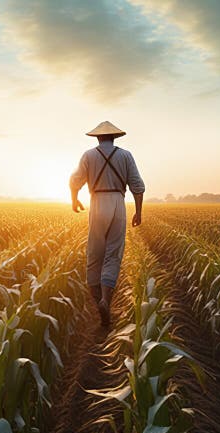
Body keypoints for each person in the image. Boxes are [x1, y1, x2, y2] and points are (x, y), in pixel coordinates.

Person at [69, 121, 145, 326]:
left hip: (97, 202)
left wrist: (74, 198)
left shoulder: (88, 155)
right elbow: (138, 186)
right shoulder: (126, 155)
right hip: (118, 204)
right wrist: (138, 212)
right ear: (114, 137)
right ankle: (106, 299)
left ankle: (97, 302)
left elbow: (75, 180)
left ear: (97, 138)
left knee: (95, 253)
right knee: (113, 253)